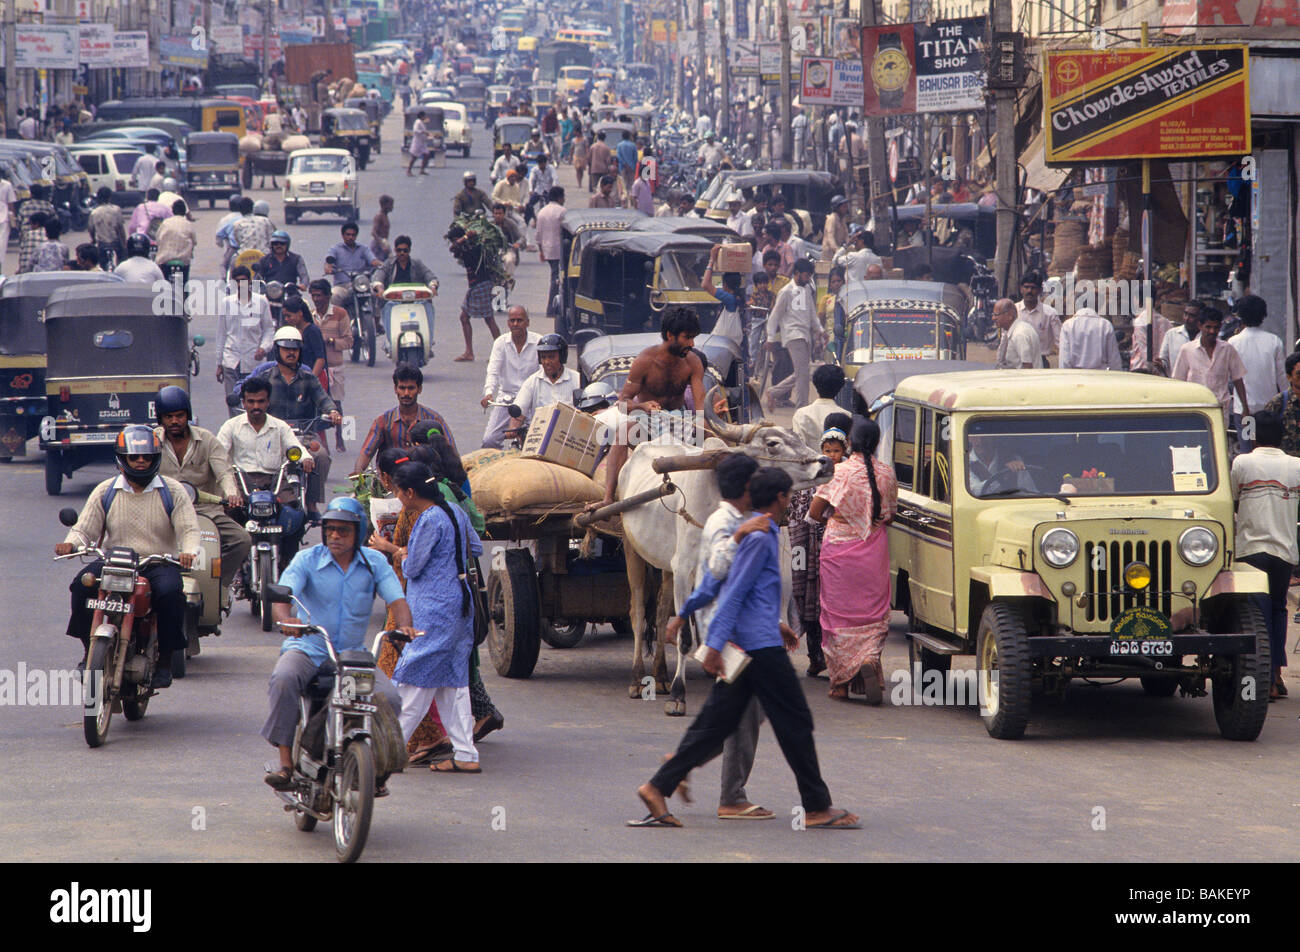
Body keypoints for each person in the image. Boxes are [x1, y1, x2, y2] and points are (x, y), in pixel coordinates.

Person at [633, 467, 861, 830]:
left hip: (752, 642)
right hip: (758, 649)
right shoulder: (759, 534)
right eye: (788, 497)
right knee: (795, 721)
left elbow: (720, 581)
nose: (789, 504)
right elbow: (735, 591)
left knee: (716, 723)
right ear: (781, 498)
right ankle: (817, 806)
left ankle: (657, 785)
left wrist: (692, 614)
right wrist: (712, 644)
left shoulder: (754, 530)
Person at [261, 497, 415, 791]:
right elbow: (284, 595)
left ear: (358, 533)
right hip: (309, 648)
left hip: (351, 657)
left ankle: (373, 765)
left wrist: (405, 625)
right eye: (330, 529)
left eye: (343, 531)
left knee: (391, 699)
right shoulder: (307, 560)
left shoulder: (375, 562)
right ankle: (285, 765)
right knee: (284, 678)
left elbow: (397, 599)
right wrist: (285, 620)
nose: (334, 536)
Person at [662, 453, 777, 819]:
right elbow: (717, 573)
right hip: (730, 635)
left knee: (743, 713)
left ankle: (681, 766)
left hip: (739, 632)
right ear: (746, 487)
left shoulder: (742, 519)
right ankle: (730, 797)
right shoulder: (724, 523)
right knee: (745, 715)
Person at [56, 425, 200, 687]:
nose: (141, 461)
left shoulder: (173, 491)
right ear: (123, 458)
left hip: (157, 563)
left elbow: (189, 529)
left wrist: (189, 552)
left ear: (156, 458)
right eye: (135, 456)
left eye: (146, 456)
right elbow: (84, 529)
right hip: (115, 562)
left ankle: (166, 660)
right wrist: (70, 544)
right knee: (81, 585)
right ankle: (89, 651)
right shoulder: (105, 491)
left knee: (171, 594)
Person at [387, 460, 485, 772]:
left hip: (433, 607)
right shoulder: (455, 511)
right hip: (460, 605)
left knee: (414, 678)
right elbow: (476, 547)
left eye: (399, 492)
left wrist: (400, 552)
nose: (399, 497)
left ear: (411, 492)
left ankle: (386, 750)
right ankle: (466, 754)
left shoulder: (428, 520)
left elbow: (413, 567)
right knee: (452, 683)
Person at [808, 419, 898, 703]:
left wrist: (835, 516)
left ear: (849, 444)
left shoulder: (839, 472)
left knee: (837, 615)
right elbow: (890, 515)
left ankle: (840, 684)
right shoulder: (887, 474)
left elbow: (814, 511)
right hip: (874, 550)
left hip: (838, 550)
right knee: (871, 614)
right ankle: (868, 659)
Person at [153, 386, 250, 611]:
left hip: (206, 510)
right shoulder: (152, 441)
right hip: (165, 511)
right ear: (161, 419)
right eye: (169, 417)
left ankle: (219, 587)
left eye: (179, 415)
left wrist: (232, 494)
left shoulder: (206, 440)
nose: (175, 421)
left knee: (242, 540)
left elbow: (224, 471)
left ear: (188, 415)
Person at [1230, 409, 1299, 701]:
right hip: (1283, 551)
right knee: (1277, 609)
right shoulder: (1296, 465)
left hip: (1250, 550)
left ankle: (1264, 679)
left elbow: (1232, 500)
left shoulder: (1242, 462)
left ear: (1253, 435)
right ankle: (1275, 675)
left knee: (1255, 615)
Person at [250, 325, 341, 524]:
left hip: (305, 434)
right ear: (277, 350)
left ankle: (311, 504)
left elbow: (323, 398)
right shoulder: (265, 378)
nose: (291, 353)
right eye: (286, 348)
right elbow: (250, 396)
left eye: (295, 349)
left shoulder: (309, 378)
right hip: (273, 435)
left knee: (321, 456)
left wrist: (332, 411)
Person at [215, 375, 311, 560]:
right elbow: (217, 455)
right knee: (229, 511)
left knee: (296, 514)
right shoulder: (231, 426)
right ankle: (235, 561)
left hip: (274, 481)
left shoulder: (280, 427)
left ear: (268, 402)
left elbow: (296, 448)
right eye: (251, 402)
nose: (256, 407)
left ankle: (288, 562)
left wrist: (306, 459)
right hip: (242, 481)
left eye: (260, 401)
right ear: (243, 402)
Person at [790, 418, 850, 678]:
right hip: (810, 547)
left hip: (835, 547)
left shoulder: (848, 474)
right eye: (828, 451)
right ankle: (815, 656)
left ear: (844, 451)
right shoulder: (814, 472)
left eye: (836, 451)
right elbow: (800, 510)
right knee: (809, 602)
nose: (832, 456)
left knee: (833, 604)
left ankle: (836, 656)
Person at [353, 363, 458, 474]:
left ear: (419, 389)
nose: (406, 393)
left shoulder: (435, 420)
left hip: (425, 482)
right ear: (395, 389)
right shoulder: (383, 421)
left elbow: (451, 453)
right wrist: (358, 476)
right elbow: (366, 453)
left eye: (411, 388)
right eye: (402, 388)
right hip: (390, 484)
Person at [1172, 309, 1249, 428]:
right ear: (1200, 326)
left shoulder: (1227, 349)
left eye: (1216, 328)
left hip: (1220, 410)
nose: (1212, 331)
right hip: (1195, 411)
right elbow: (1178, 382)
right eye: (1208, 327)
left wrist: (1245, 408)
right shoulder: (1187, 350)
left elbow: (1238, 379)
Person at [1227, 294, 1285, 450]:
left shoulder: (1233, 343)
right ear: (1263, 316)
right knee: (1269, 450)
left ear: (1240, 316)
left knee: (1248, 452)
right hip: (1269, 413)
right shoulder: (1274, 341)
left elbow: (1230, 377)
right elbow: (1282, 379)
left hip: (1245, 412)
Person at [215, 265, 275, 407]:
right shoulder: (227, 303)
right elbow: (221, 334)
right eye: (237, 281)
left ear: (249, 281)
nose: (241, 284)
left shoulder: (261, 301)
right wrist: (219, 364)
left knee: (255, 403)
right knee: (233, 403)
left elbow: (268, 330)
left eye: (243, 280)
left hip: (253, 362)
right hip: (231, 360)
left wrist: (264, 348)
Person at [763, 259, 819, 411]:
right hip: (794, 335)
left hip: (805, 334)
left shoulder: (807, 289)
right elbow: (774, 317)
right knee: (803, 376)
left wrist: (820, 330)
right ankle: (802, 409)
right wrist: (770, 338)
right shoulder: (785, 292)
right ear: (797, 274)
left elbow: (812, 313)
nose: (808, 279)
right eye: (806, 276)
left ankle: (773, 392)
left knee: (802, 372)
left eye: (809, 276)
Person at [481, 305, 540, 447]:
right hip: (506, 400)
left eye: (519, 320)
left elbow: (543, 372)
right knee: (489, 440)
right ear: (508, 323)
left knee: (537, 442)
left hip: (532, 400)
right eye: (512, 320)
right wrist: (488, 393)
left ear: (527, 322)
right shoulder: (500, 343)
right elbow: (493, 371)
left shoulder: (539, 342)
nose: (515, 324)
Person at [449, 219, 503, 363]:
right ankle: (473, 352)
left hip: (481, 285)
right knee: (481, 318)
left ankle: (495, 353)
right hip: (477, 286)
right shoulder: (469, 248)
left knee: (485, 318)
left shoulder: (475, 248)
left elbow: (453, 248)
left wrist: (465, 237)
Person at [308, 279, 353, 451]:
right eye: (313, 295)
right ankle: (323, 442)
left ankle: (340, 437)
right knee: (318, 403)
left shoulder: (340, 314)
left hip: (334, 365)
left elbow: (349, 341)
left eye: (319, 295)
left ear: (328, 296)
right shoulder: (310, 315)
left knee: (336, 402)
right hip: (317, 367)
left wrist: (331, 341)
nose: (316, 299)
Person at [508, 333, 581, 438]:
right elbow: (519, 412)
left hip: (569, 437)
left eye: (551, 357)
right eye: (544, 357)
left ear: (562, 357)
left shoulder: (577, 379)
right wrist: (512, 429)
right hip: (539, 436)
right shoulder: (532, 381)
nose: (547, 362)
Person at [792, 365, 846, 450]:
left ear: (814, 383)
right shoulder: (847, 416)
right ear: (842, 386)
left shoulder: (802, 414)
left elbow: (798, 447)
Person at [1015, 273, 1060, 368]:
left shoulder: (1050, 313)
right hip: (1017, 362)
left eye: (1033, 288)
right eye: (1026, 287)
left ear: (1040, 290)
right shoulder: (1014, 311)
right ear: (1021, 289)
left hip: (1041, 362)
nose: (1029, 291)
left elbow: (1060, 342)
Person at [536, 186, 566, 322]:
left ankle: (553, 308)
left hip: (547, 250)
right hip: (560, 250)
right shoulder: (562, 212)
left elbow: (538, 235)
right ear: (560, 197)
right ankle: (552, 309)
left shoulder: (542, 212)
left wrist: (541, 251)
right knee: (557, 279)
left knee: (555, 277)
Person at [324, 220, 382, 287]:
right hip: (342, 286)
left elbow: (373, 260)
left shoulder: (363, 249)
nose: (350, 237)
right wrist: (328, 267)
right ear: (343, 235)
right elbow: (329, 260)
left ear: (356, 235)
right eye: (348, 234)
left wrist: (382, 265)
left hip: (361, 285)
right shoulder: (335, 249)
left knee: (377, 292)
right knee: (335, 296)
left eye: (353, 235)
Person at [154, 199, 197, 287]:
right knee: (185, 282)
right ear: (185, 211)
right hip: (183, 260)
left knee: (163, 282)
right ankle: (185, 297)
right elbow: (194, 241)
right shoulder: (188, 224)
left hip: (164, 259)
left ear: (173, 211)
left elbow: (158, 239)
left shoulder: (165, 223)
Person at [373, 234, 438, 289]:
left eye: (405, 250)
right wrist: (378, 286)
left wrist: (433, 285)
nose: (402, 253)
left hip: (416, 300)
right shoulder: (388, 264)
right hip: (393, 301)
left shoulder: (417, 263)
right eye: (399, 250)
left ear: (409, 250)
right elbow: (379, 274)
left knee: (427, 304)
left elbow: (428, 275)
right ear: (395, 250)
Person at [993, 297, 1040, 370]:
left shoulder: (1019, 334)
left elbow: (1028, 367)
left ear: (1009, 315)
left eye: (996, 315)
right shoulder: (1010, 330)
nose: (993, 318)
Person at [86, 187, 126, 271]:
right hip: (115, 242)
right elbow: (120, 229)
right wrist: (124, 243)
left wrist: (93, 239)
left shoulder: (94, 212)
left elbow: (91, 230)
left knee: (102, 265)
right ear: (110, 197)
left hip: (102, 243)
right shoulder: (116, 210)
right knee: (122, 259)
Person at [524, 154, 556, 226]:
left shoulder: (551, 168)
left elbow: (555, 179)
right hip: (538, 190)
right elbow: (531, 180)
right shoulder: (534, 169)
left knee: (552, 206)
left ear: (545, 163)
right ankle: (534, 219)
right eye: (539, 164)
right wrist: (530, 189)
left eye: (543, 164)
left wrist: (554, 188)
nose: (541, 166)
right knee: (529, 205)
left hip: (549, 190)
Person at [408, 111, 432, 175]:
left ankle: (422, 170)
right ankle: (409, 170)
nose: (425, 117)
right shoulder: (417, 122)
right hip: (417, 142)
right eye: (424, 116)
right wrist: (423, 132)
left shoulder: (421, 122)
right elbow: (415, 130)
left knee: (427, 155)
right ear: (421, 116)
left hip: (422, 142)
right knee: (414, 157)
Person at [371, 194, 394, 261]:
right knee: (380, 265)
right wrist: (382, 245)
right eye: (391, 204)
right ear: (384, 205)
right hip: (378, 245)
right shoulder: (379, 216)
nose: (392, 207)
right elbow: (373, 232)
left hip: (384, 242)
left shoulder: (385, 216)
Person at [616, 129, 639, 194]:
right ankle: (631, 198)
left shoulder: (619, 145)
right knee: (631, 184)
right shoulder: (633, 145)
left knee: (623, 183)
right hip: (632, 167)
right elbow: (635, 158)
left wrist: (625, 164)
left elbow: (619, 157)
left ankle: (625, 198)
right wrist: (631, 166)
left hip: (622, 167)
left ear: (622, 137)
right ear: (629, 136)